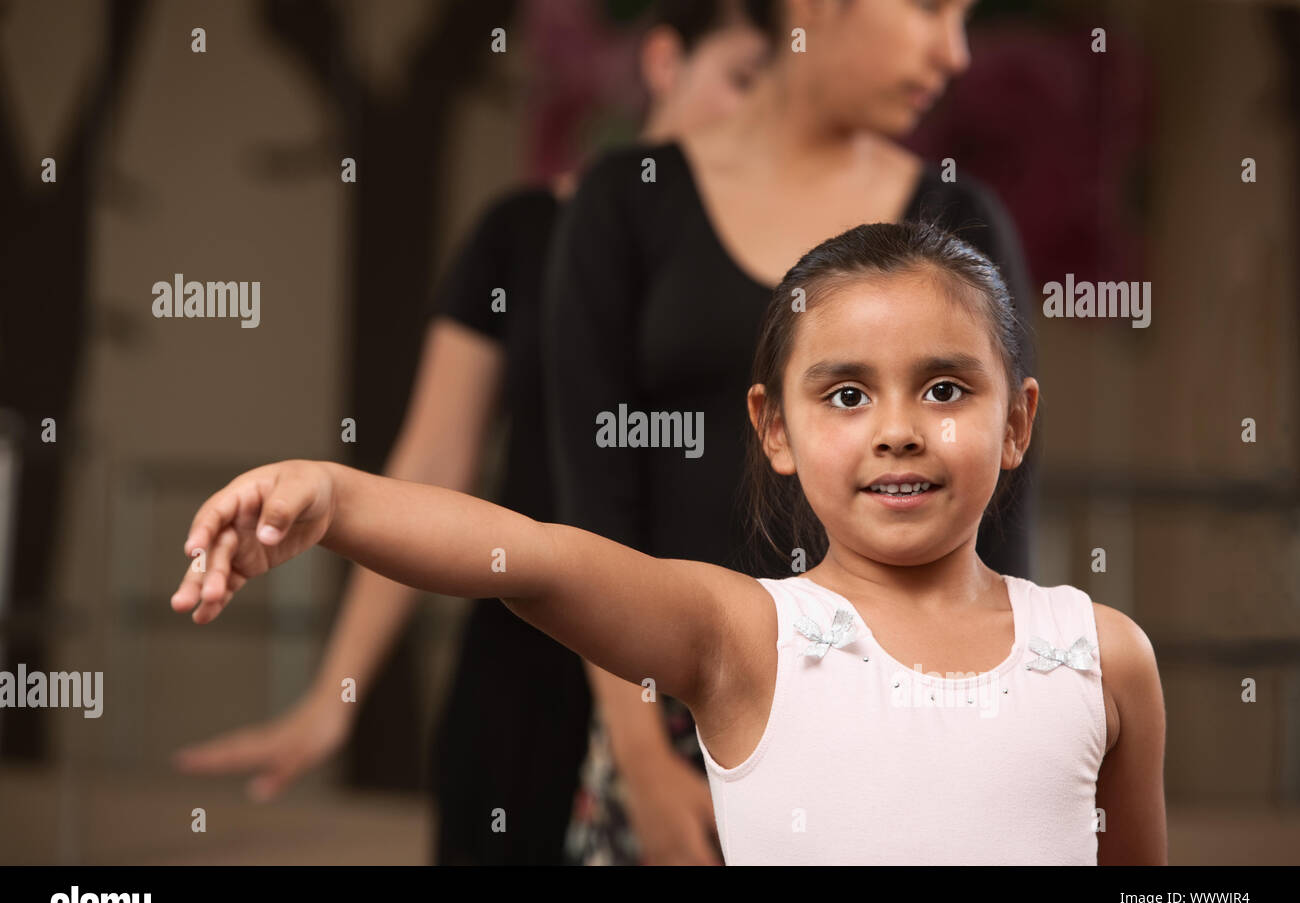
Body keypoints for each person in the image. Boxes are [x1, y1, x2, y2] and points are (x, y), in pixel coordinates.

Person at [169, 220, 1168, 865]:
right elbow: (529, 555)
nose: (897, 429)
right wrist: (335, 498)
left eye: (945, 388)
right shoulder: (744, 636)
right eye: (846, 394)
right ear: (774, 428)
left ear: (1016, 421)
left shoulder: (1103, 655)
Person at [169, 0, 769, 865]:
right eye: (743, 78)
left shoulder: (787, 263)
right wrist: (336, 694)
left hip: (700, 666)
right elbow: (434, 457)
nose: (763, 107)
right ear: (666, 60)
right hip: (531, 655)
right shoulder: (523, 232)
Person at [545, 0, 1039, 865]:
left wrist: (981, 742)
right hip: (672, 712)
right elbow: (594, 499)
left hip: (905, 718)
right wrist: (641, 760)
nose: (955, 53)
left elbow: (1004, 523)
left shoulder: (961, 219)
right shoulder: (627, 198)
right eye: (929, 9)